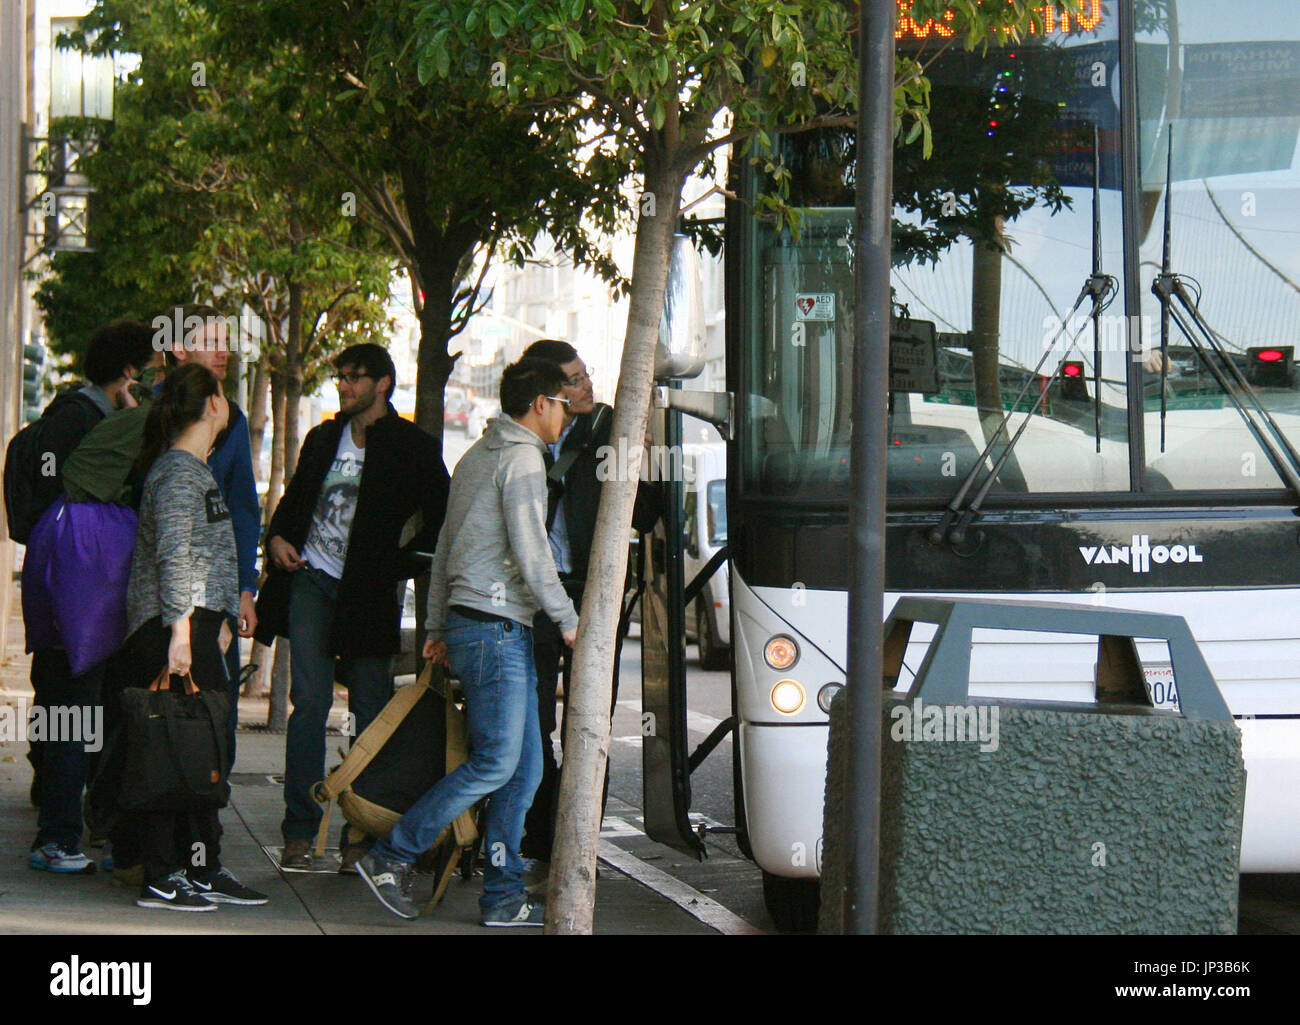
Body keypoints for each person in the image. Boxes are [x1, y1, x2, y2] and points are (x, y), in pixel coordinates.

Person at [357, 357, 578, 926]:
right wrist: (568, 617)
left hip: (480, 624)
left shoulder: (477, 455)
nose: (568, 412)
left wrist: (436, 626)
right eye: (562, 402)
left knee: (523, 770)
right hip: (496, 627)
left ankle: (503, 895)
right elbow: (534, 554)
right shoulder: (524, 459)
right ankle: (391, 854)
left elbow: (446, 548)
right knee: (497, 761)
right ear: (539, 405)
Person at [255, 343, 449, 873]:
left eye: (354, 377)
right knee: (309, 704)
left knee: (370, 708)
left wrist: (399, 565)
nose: (343, 385)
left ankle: (360, 834)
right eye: (339, 376)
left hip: (368, 592)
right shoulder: (322, 438)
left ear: (382, 383)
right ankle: (298, 831)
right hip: (312, 581)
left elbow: (442, 516)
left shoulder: (412, 446)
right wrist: (276, 540)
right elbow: (294, 504)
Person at [123, 362, 268, 910]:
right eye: (224, 395)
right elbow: (174, 557)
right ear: (211, 404)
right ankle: (163, 875)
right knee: (173, 756)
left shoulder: (188, 468)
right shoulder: (179, 473)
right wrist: (183, 633)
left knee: (199, 757)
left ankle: (201, 867)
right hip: (174, 631)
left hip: (196, 627)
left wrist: (224, 619)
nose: (228, 403)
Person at [21, 320, 160, 874]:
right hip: (85, 589)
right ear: (129, 371)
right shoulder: (93, 423)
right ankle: (60, 834)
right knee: (77, 710)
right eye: (148, 370)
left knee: (65, 705)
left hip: (62, 579)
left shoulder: (69, 414)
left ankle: (61, 822)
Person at [515, 339, 611, 861]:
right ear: (546, 393)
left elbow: (644, 514)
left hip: (590, 594)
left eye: (584, 373)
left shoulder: (610, 430)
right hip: (533, 595)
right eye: (572, 380)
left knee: (589, 719)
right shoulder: (522, 435)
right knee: (533, 719)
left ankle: (578, 842)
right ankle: (537, 832)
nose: (586, 386)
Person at [161, 305, 261, 771]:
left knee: (215, 706)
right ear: (178, 348)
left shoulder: (232, 418)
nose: (225, 353)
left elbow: (243, 506)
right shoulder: (150, 412)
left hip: (215, 597)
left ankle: (208, 807)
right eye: (213, 342)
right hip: (155, 592)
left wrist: (245, 587)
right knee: (151, 703)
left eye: (227, 342)